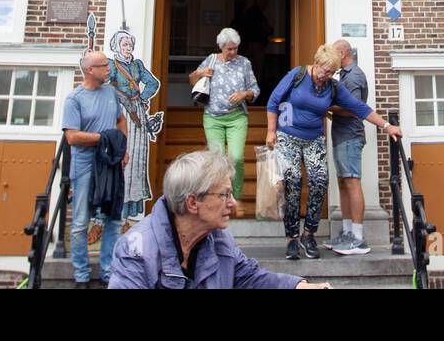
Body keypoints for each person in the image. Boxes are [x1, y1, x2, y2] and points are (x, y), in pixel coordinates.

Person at [109, 150, 330, 289]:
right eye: (224, 195)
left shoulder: (219, 239)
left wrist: (298, 286)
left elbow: (248, 278)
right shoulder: (137, 249)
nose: (233, 203)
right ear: (193, 203)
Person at [265, 43, 401, 260]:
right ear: (316, 63)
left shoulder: (333, 87)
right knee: (292, 182)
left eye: (331, 72)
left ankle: (308, 235)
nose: (326, 76)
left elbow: (360, 108)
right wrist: (271, 132)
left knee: (320, 182)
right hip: (287, 136)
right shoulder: (297, 75)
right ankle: (291, 238)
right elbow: (273, 101)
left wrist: (386, 126)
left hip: (314, 140)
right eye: (324, 71)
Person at [62, 50, 128, 288]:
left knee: (113, 219)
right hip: (85, 166)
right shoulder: (75, 99)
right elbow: (72, 137)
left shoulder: (111, 92)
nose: (109, 68)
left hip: (110, 165)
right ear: (91, 70)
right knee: (80, 222)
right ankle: (81, 274)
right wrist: (104, 139)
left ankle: (108, 271)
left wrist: (123, 148)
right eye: (104, 65)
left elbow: (121, 120)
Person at [189, 27, 259, 210]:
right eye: (229, 49)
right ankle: (220, 198)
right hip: (213, 118)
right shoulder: (211, 60)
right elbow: (191, 80)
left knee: (235, 158)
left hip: (237, 118)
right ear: (221, 47)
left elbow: (255, 89)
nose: (233, 52)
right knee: (217, 161)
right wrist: (200, 74)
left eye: (235, 48)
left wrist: (244, 94)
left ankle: (236, 197)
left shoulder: (244, 63)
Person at [107, 29, 162, 219]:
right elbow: (106, 85)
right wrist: (120, 98)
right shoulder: (112, 65)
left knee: (137, 156)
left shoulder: (137, 65)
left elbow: (153, 83)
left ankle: (131, 208)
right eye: (124, 44)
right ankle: (117, 205)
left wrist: (142, 97)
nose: (128, 48)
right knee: (123, 154)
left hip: (136, 111)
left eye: (130, 45)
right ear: (117, 46)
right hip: (120, 112)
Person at [324, 38, 370, 255]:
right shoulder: (343, 75)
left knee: (352, 181)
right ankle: (347, 232)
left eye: (333, 53)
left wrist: (325, 106)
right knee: (343, 183)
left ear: (342, 53)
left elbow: (353, 110)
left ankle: (358, 238)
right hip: (341, 135)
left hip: (350, 136)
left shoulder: (354, 76)